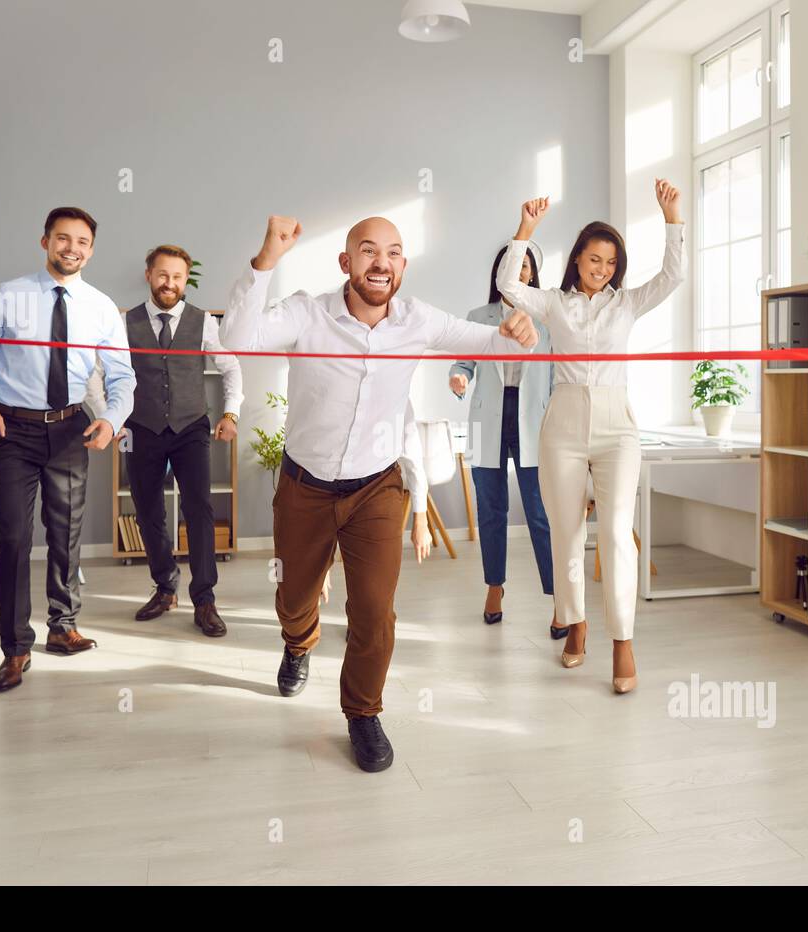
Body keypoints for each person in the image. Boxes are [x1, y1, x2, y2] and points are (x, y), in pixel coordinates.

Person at [220, 214, 536, 772]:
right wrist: (267, 257)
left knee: (374, 609)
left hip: (376, 487)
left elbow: (493, 341)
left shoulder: (418, 320)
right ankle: (298, 643)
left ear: (403, 268)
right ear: (346, 263)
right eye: (368, 252)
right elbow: (237, 339)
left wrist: (519, 333)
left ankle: (362, 712)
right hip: (305, 485)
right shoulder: (307, 312)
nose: (380, 262)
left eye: (392, 253)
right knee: (293, 599)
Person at [497, 179, 685, 694]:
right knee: (567, 532)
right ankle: (574, 624)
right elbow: (509, 288)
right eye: (593, 260)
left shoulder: (627, 304)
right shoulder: (556, 304)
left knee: (619, 531)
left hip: (616, 425)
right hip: (562, 421)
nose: (602, 269)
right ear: (577, 259)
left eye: (610, 262)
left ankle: (622, 642)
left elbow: (674, 275)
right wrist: (525, 231)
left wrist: (672, 219)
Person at [0, 206, 135, 693]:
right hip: (12, 430)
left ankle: (63, 626)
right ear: (45, 242)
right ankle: (15, 648)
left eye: (81, 241)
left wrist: (110, 418)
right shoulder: (9, 296)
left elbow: (121, 375)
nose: (72, 248)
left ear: (91, 250)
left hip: (70, 429)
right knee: (14, 537)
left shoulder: (101, 307)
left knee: (66, 532)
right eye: (63, 239)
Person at [119, 245, 243, 637]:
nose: (170, 284)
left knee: (199, 509)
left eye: (177, 277)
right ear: (149, 275)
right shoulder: (126, 323)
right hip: (141, 428)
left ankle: (204, 599)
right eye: (162, 275)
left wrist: (231, 412)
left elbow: (231, 366)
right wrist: (112, 419)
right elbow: (108, 372)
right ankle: (165, 586)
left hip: (191, 427)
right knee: (148, 510)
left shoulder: (203, 322)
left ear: (184, 279)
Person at [448, 244, 564, 638]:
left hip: (535, 419)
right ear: (500, 272)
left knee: (541, 512)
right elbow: (463, 361)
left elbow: (556, 375)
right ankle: (494, 588)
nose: (518, 270)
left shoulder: (549, 320)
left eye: (525, 265)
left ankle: (559, 599)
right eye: (510, 264)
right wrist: (460, 378)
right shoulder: (478, 318)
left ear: (531, 274)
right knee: (491, 509)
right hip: (486, 417)